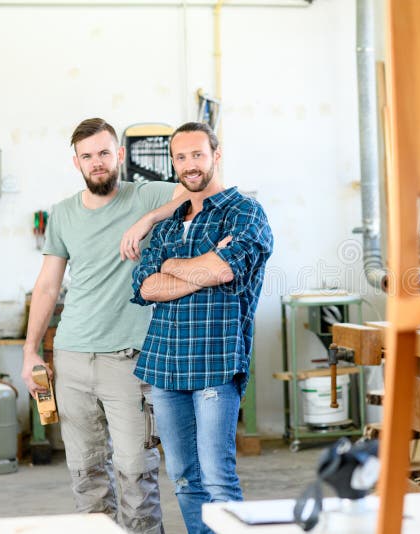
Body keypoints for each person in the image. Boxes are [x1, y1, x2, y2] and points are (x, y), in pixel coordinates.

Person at [21, 117, 186, 533]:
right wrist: (30, 351)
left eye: (104, 153)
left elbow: (205, 189)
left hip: (128, 362)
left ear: (120, 155)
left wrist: (148, 219)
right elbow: (46, 287)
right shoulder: (62, 214)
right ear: (76, 161)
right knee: (86, 473)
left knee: (135, 472)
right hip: (72, 358)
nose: (97, 163)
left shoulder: (146, 194)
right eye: (87, 156)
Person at [130, 121, 273, 534]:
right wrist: (199, 267)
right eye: (181, 157)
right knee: (184, 477)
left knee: (217, 476)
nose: (189, 164)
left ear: (216, 155)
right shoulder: (170, 223)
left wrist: (173, 267)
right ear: (173, 162)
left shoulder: (244, 213)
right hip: (164, 363)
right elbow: (144, 285)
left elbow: (225, 270)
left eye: (197, 154)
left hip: (215, 360)